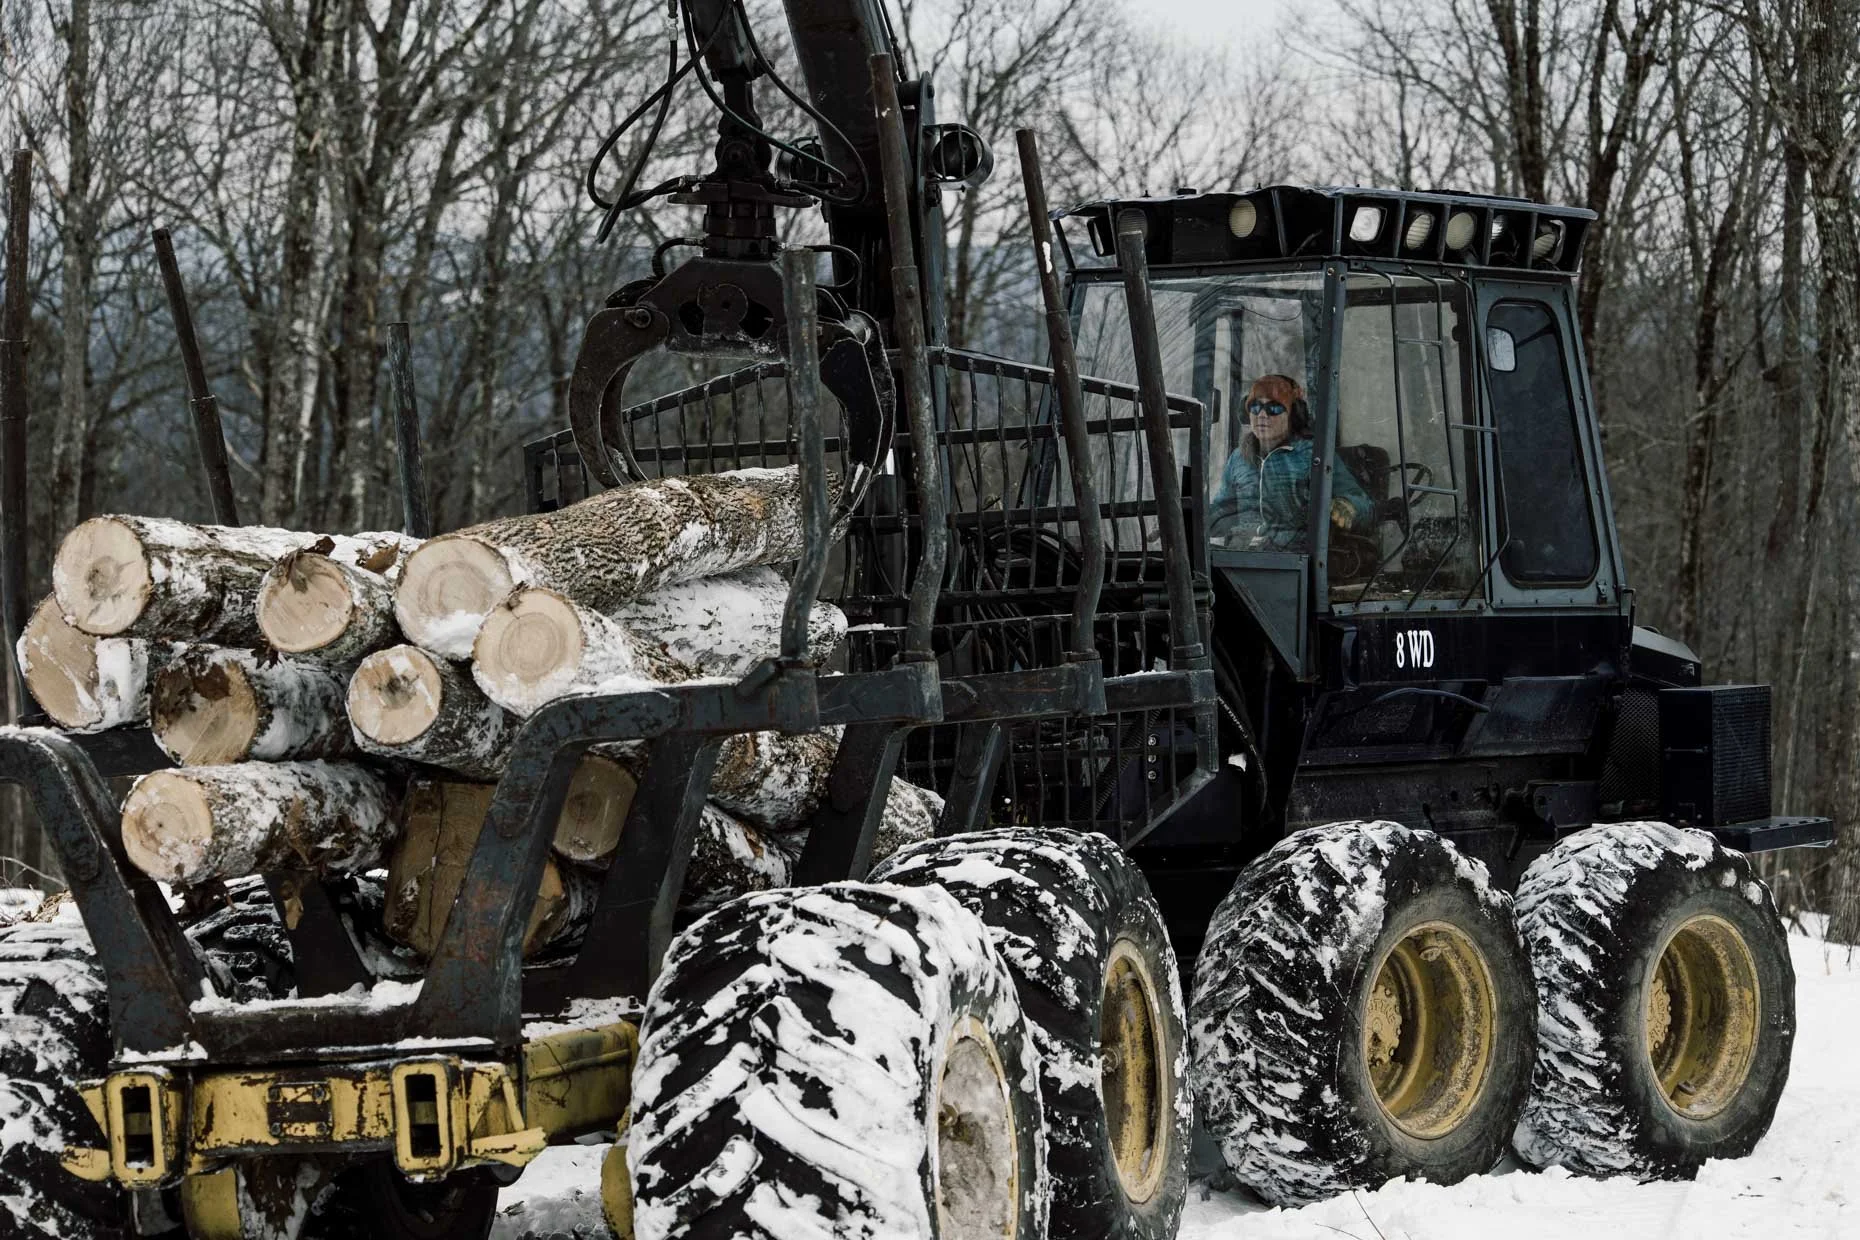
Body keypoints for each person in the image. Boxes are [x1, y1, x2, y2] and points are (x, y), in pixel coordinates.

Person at [1208, 373, 1377, 549]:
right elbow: (1221, 511)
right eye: (1255, 407)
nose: (1262, 415)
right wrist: (1195, 516)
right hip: (1239, 558)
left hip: (1294, 559)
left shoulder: (1314, 455)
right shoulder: (1239, 458)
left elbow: (1363, 503)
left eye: (1274, 408)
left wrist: (1349, 506)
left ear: (1293, 415)